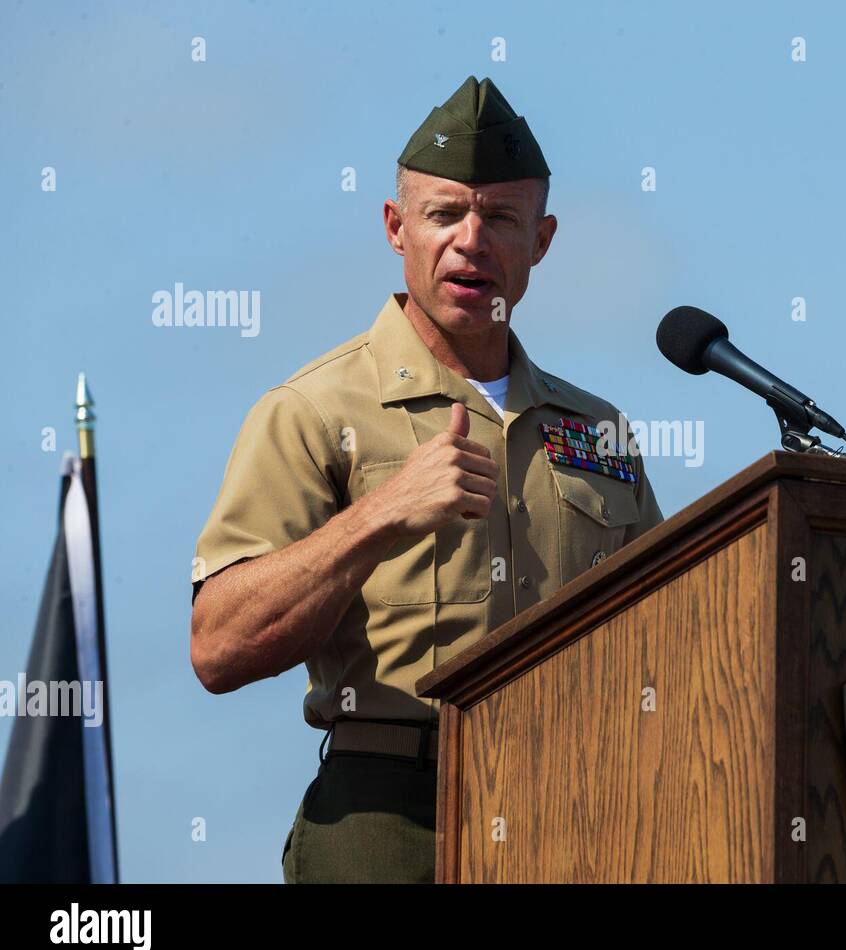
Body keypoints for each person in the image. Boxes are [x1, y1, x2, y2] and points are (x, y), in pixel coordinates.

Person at [189, 76, 663, 883]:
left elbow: (666, 633)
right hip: (391, 813)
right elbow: (219, 646)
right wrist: (381, 515)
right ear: (394, 226)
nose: (471, 241)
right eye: (444, 213)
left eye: (501, 218)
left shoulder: (596, 430)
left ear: (541, 241)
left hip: (574, 806)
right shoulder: (310, 409)